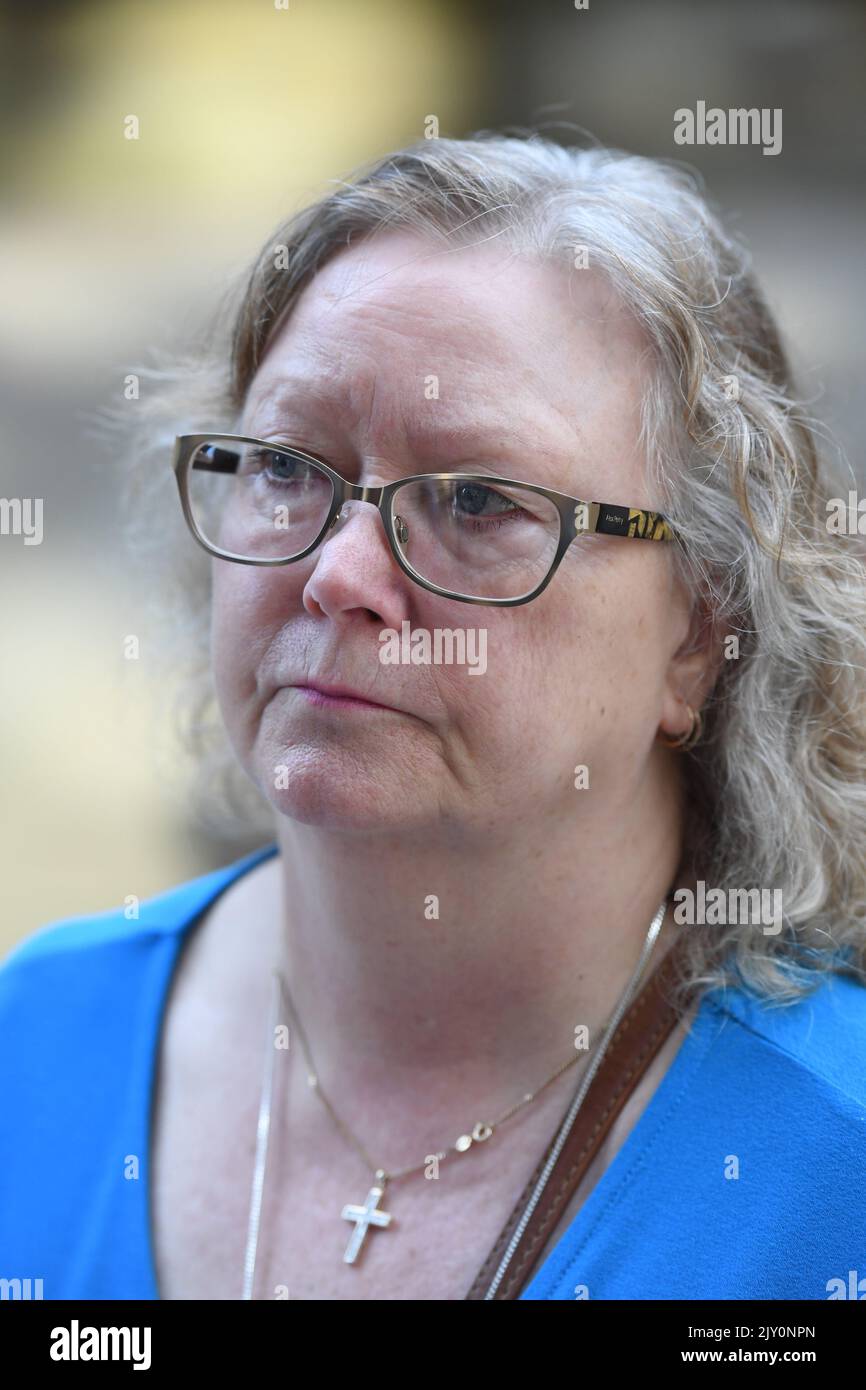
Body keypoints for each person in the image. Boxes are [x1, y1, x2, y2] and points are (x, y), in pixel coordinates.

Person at [2, 130, 866, 1302]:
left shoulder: (826, 1164)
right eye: (288, 469)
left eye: (472, 499)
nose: (337, 573)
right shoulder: (39, 1042)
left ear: (699, 633)